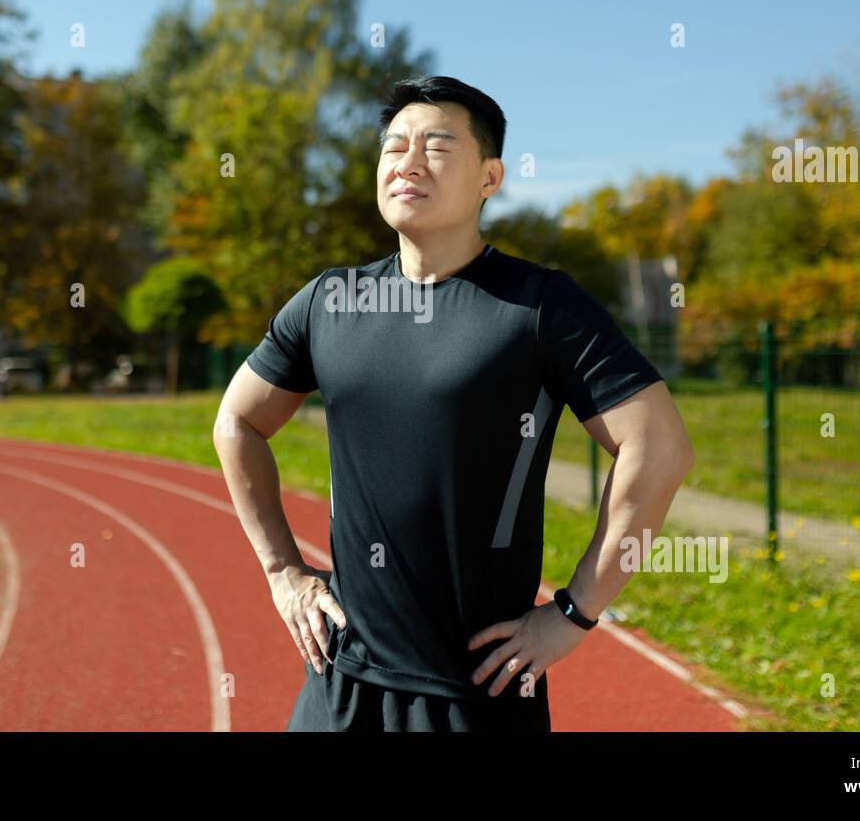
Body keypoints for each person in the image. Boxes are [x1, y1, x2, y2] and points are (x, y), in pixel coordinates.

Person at [212, 75, 695, 731]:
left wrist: (574, 613)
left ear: (490, 177)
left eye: (437, 147)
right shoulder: (331, 301)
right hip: (339, 679)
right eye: (393, 147)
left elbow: (660, 447)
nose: (408, 162)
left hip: (476, 693)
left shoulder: (539, 305)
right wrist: (281, 571)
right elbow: (237, 422)